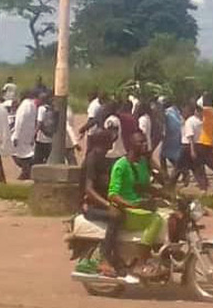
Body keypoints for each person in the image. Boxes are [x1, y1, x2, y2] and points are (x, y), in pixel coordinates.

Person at [107, 129, 166, 281]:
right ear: (131, 145)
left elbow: (152, 184)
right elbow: (113, 194)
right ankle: (141, 263)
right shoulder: (121, 165)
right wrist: (132, 205)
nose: (145, 145)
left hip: (142, 206)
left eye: (145, 141)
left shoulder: (142, 163)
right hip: (128, 209)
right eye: (141, 142)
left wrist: (165, 194)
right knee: (156, 220)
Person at [78, 127, 119, 276]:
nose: (112, 143)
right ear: (104, 142)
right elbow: (89, 190)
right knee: (115, 216)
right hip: (90, 206)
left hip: (100, 204)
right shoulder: (92, 159)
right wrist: (108, 205)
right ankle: (105, 258)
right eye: (110, 140)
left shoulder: (103, 158)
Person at [194, 93, 213, 186]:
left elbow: (197, 109)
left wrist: (193, 100)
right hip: (209, 139)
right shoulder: (212, 110)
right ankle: (207, 179)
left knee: (206, 162)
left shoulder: (207, 110)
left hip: (205, 140)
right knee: (206, 161)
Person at [11, 93, 39, 180]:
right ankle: (26, 171)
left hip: (21, 133)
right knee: (26, 153)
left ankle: (26, 171)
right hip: (29, 133)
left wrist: (16, 135)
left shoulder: (23, 106)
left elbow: (19, 121)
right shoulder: (33, 106)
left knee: (16, 152)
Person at [161, 98, 184, 175]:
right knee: (172, 155)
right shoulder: (176, 111)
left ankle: (165, 174)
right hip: (177, 136)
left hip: (170, 136)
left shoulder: (166, 113)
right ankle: (182, 171)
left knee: (163, 156)